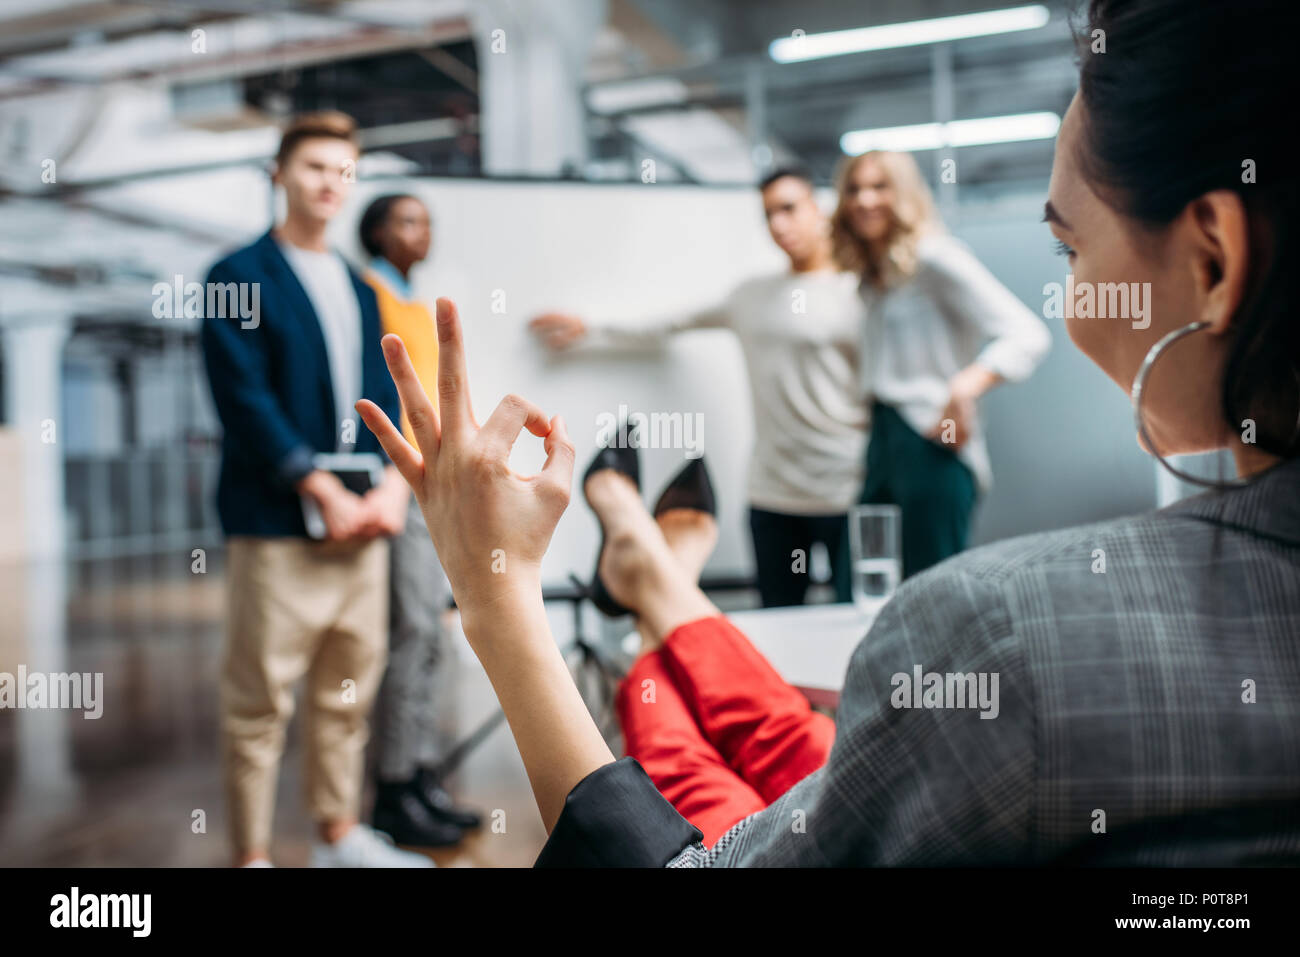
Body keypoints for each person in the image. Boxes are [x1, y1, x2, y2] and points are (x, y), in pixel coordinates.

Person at [357, 0, 1300, 867]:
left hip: (893, 491)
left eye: (1069, 248)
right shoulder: (806, 294)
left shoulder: (1001, 637)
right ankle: (660, 583)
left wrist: (496, 589)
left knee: (723, 737)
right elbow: (679, 315)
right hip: (854, 541)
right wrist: (586, 325)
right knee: (806, 735)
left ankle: (650, 581)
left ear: (1213, 260)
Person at [200, 112, 432, 868]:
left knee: (347, 690)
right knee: (260, 703)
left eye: (343, 171)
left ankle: (338, 834)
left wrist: (394, 487)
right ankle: (252, 854)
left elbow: (385, 394)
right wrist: (317, 484)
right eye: (314, 168)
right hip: (277, 524)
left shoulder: (361, 289)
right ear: (279, 175)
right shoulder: (237, 275)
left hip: (364, 523)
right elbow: (244, 399)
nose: (330, 183)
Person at [530, 168, 868, 607]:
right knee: (779, 620)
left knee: (857, 623)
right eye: (768, 215)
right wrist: (591, 327)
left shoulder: (860, 292)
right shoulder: (752, 296)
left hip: (848, 490)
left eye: (789, 209)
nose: (779, 225)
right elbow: (673, 322)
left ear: (819, 210)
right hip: (773, 495)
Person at [833, 150, 1051, 578]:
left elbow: (1027, 333)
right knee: (855, 584)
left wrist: (963, 388)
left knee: (931, 593)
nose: (864, 200)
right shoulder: (870, 278)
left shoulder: (934, 257)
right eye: (854, 189)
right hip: (883, 444)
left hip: (931, 441)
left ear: (904, 193)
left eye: (880, 186)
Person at [358, 193, 482, 845]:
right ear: (376, 231)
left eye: (428, 222)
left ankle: (421, 773)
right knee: (411, 632)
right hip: (399, 483)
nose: (422, 233)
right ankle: (393, 787)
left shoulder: (413, 299)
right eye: (407, 221)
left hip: (435, 483)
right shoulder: (366, 295)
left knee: (432, 632)